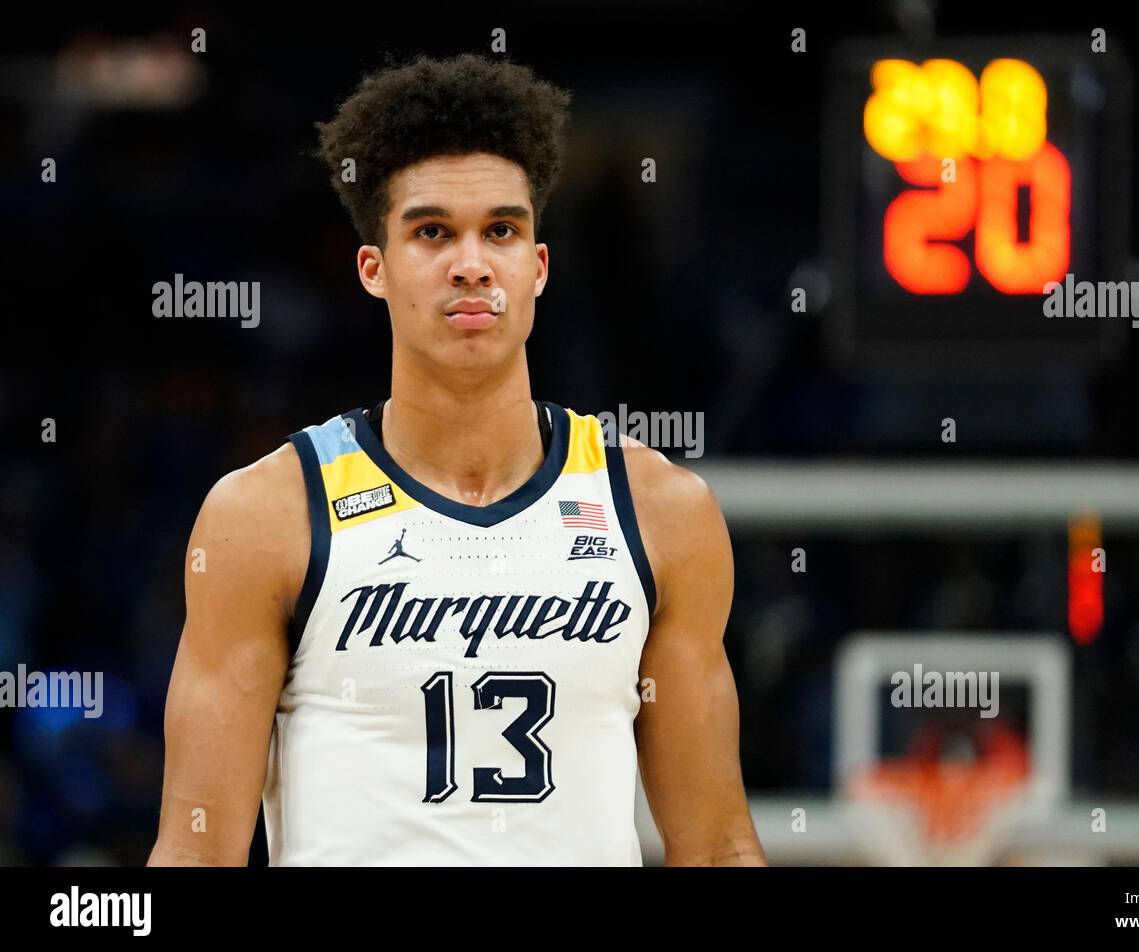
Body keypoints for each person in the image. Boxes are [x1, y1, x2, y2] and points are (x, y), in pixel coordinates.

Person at [148, 53, 765, 866]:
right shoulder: (265, 516)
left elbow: (718, 846)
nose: (471, 263)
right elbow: (196, 854)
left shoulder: (661, 511)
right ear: (375, 269)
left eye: (501, 231)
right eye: (432, 232)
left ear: (538, 267)